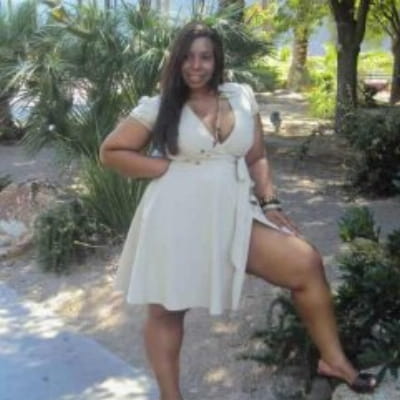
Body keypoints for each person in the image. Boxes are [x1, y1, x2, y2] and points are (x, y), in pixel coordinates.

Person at [99, 21, 377, 400]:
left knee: (306, 263)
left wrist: (270, 202)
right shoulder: (160, 106)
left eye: (205, 57)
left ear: (217, 60)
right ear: (176, 60)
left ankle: (333, 360)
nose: (196, 66)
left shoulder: (242, 96)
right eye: (188, 57)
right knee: (166, 311)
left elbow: (257, 156)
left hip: (234, 214)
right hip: (175, 218)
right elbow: (112, 152)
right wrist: (165, 168)